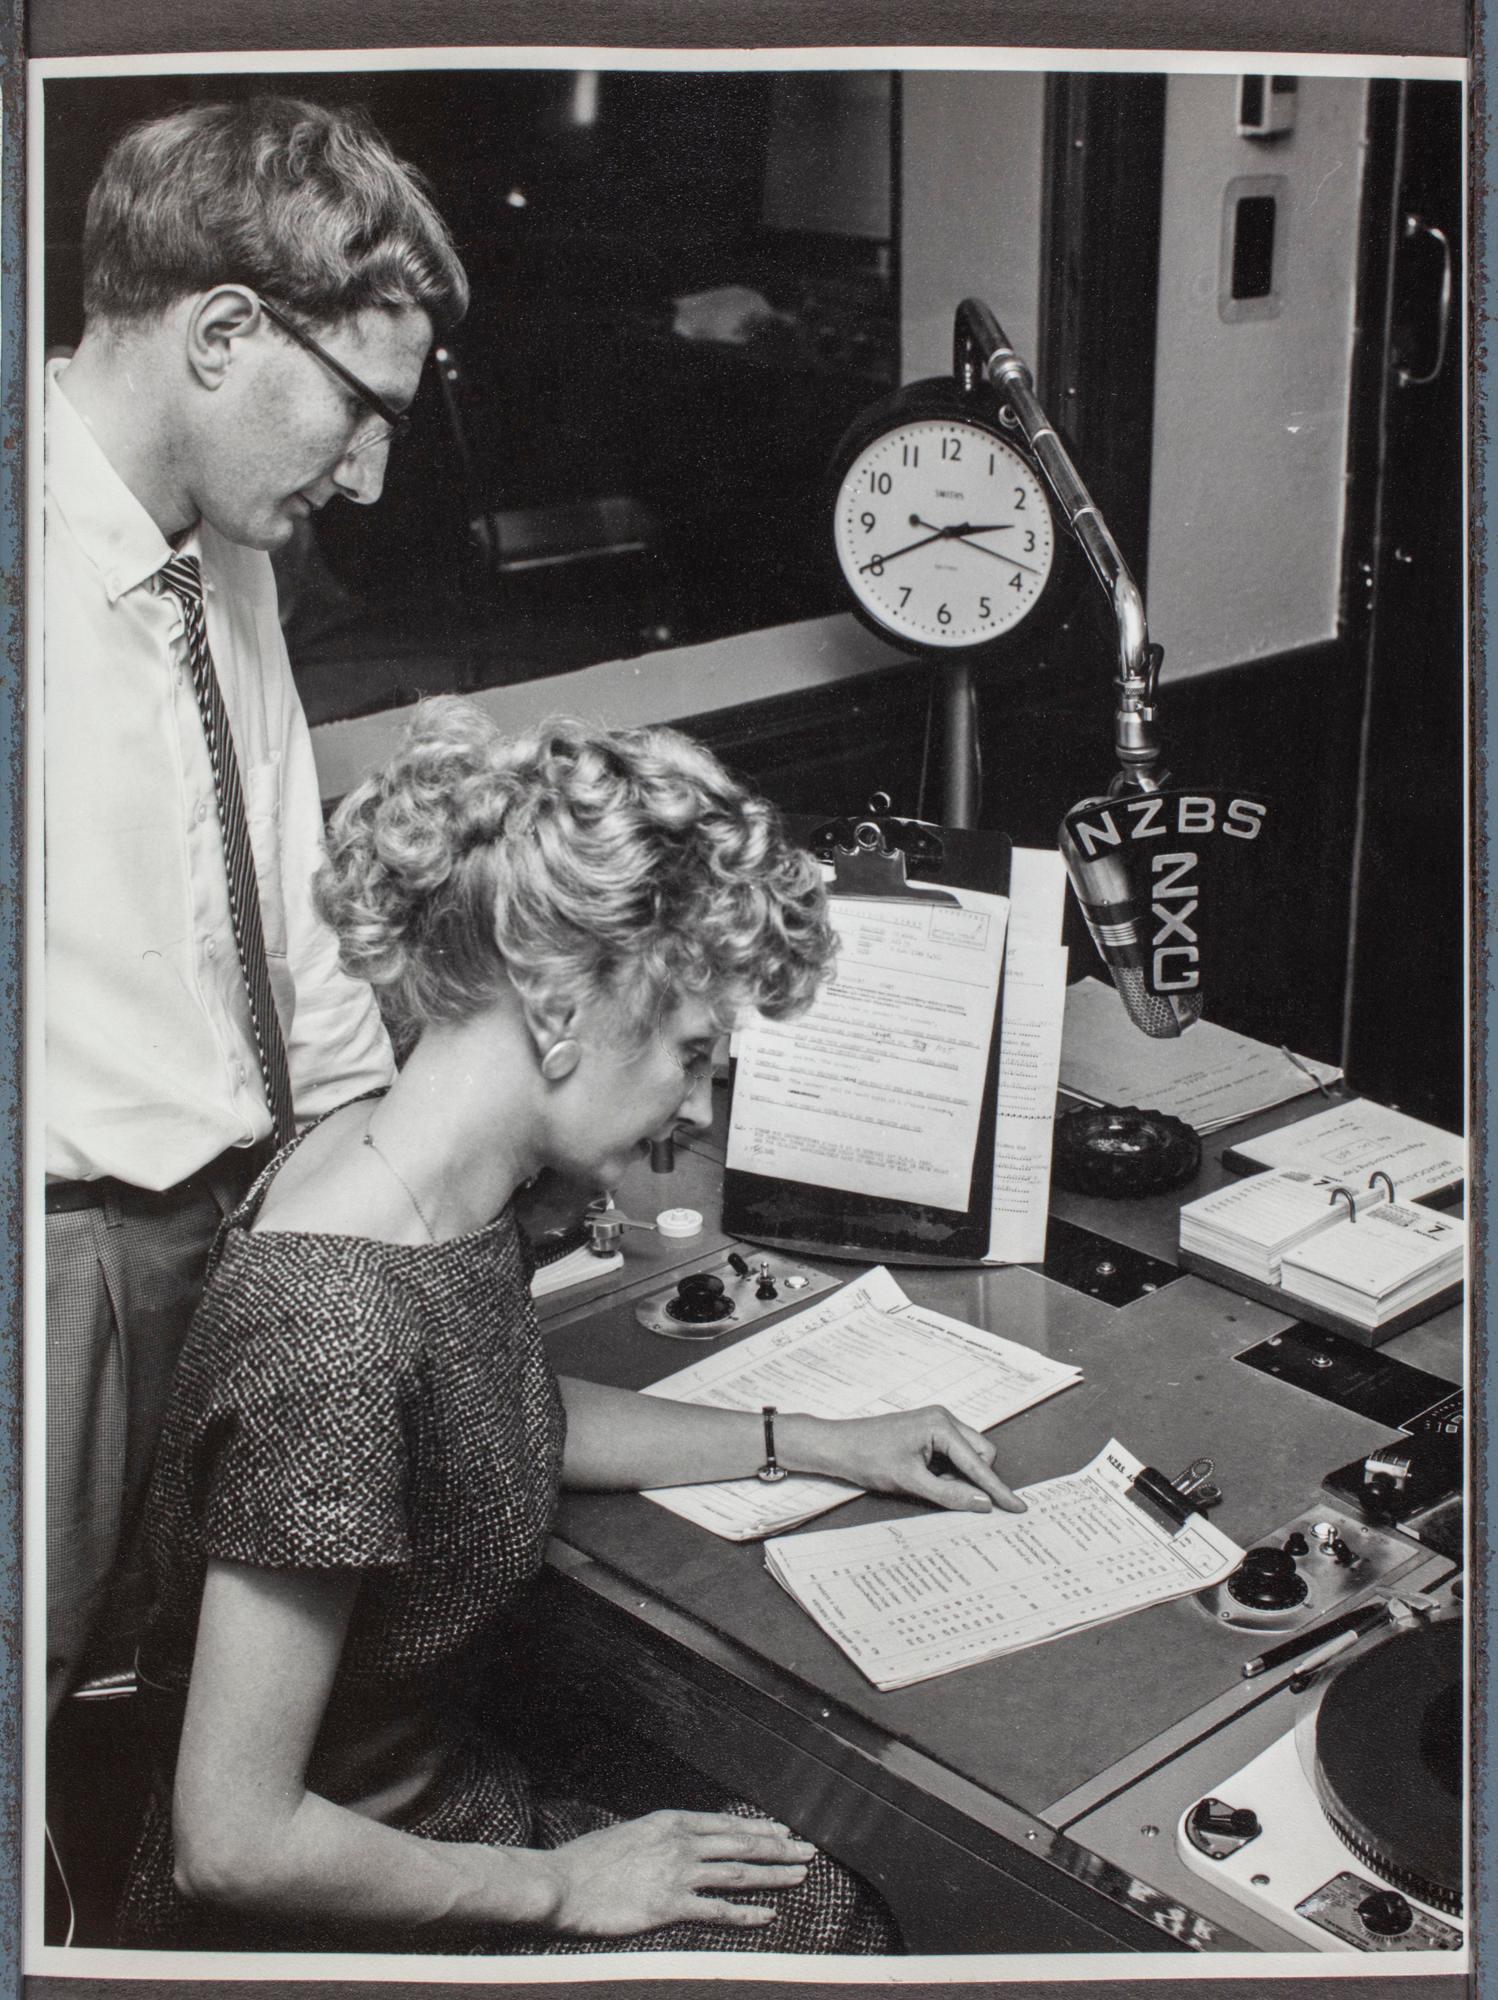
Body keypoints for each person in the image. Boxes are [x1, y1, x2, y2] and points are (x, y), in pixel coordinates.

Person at [115, 701, 1024, 1955]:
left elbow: (492, 1409)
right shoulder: (333, 1329)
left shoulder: (398, 1167)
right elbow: (231, 1840)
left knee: (814, 1888)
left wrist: (815, 1437)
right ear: (559, 1007)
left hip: (441, 1808)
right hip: (336, 1911)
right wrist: (561, 1884)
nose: (694, 1109)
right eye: (694, 1052)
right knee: (834, 1928)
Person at [43, 95, 469, 1720]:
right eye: (359, 409)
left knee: (160, 1741)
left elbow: (293, 914)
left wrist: (399, 1234)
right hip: (61, 1261)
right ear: (223, 331)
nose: (366, 478)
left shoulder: (228, 548)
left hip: (240, 1232)